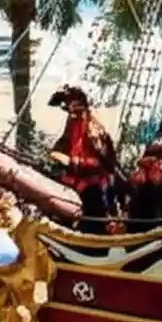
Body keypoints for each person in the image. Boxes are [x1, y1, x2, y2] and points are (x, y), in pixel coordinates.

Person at [48, 85, 119, 227]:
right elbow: (62, 146)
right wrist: (54, 154)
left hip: (94, 185)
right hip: (72, 180)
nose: (72, 113)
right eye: (69, 109)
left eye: (76, 108)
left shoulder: (94, 130)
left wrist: (72, 161)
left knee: (93, 207)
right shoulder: (71, 126)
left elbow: (102, 163)